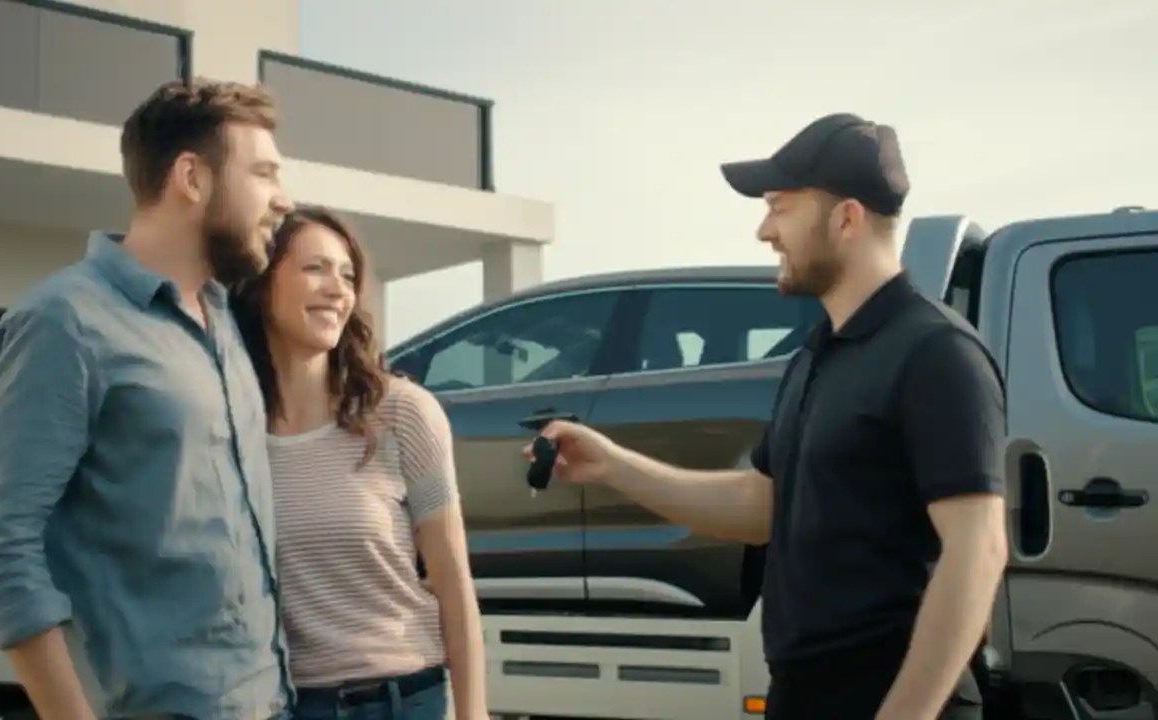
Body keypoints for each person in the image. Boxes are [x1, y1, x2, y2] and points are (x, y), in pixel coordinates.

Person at [524, 113, 1008, 720]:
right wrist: (614, 465)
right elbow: (762, 506)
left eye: (780, 207)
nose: (763, 231)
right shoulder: (817, 355)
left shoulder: (936, 353)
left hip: (892, 695)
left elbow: (979, 549)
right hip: (802, 694)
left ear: (846, 218)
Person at [0, 78, 296, 720]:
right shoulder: (63, 322)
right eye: (263, 173)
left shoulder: (224, 323)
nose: (284, 200)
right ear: (191, 178)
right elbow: (1, 557)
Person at [228, 205, 487, 720]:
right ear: (261, 284)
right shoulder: (230, 431)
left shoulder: (403, 413)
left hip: (403, 702)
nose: (338, 289)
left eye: (347, 275)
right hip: (287, 705)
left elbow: (455, 585)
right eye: (315, 269)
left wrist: (473, 714)